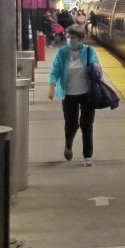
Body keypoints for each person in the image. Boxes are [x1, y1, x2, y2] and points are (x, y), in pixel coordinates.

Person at [47, 24, 101, 166]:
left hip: (87, 93)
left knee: (87, 124)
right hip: (69, 94)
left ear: (81, 38)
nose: (70, 40)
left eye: (74, 37)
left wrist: (93, 71)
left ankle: (87, 156)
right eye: (69, 37)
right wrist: (52, 86)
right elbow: (55, 70)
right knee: (71, 124)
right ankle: (68, 145)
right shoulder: (62, 53)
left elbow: (97, 69)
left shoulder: (89, 51)